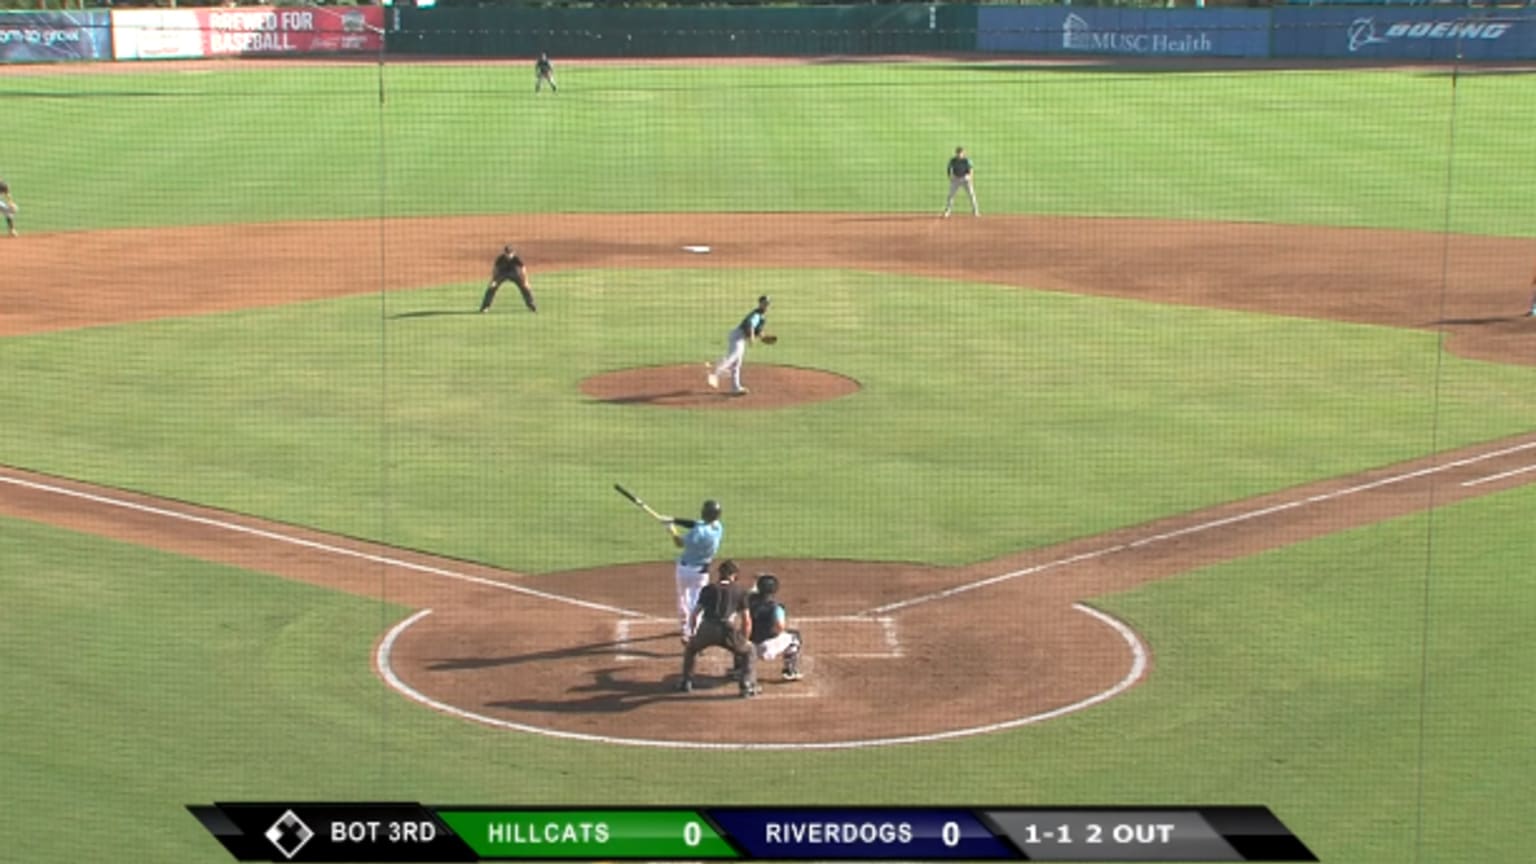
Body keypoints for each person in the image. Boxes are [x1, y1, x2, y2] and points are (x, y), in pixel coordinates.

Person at [678, 559, 758, 697]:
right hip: (728, 630)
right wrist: (744, 639)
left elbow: (695, 613)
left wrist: (692, 633)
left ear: (720, 574)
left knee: (691, 649)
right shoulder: (740, 591)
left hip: (707, 627)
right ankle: (746, 685)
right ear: (734, 575)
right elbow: (747, 620)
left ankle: (686, 681)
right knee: (749, 651)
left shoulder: (708, 589)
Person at [667, 499, 724, 645]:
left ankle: (685, 627)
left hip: (685, 570)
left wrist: (671, 529)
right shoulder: (718, 528)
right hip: (701, 572)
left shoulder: (697, 533)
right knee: (697, 601)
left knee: (682, 596)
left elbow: (679, 543)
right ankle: (692, 630)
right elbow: (695, 523)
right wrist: (674, 519)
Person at [732, 572, 804, 682]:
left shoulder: (748, 600)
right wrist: (772, 633)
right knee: (795, 636)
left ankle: (738, 669)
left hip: (748, 647)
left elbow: (752, 592)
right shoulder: (776, 606)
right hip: (766, 649)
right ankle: (790, 670)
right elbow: (780, 626)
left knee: (739, 634)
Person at [706, 295, 773, 396]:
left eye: (767, 304)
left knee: (737, 364)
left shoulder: (762, 317)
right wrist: (751, 337)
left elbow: (758, 332)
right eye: (764, 303)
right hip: (738, 336)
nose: (766, 305)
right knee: (732, 358)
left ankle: (735, 388)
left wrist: (764, 337)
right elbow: (750, 324)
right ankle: (714, 374)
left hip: (740, 338)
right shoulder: (757, 314)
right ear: (760, 304)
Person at [478, 245, 537, 313]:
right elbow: (495, 269)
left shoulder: (517, 259)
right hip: (502, 274)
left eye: (510, 253)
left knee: (525, 287)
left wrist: (525, 281)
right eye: (507, 253)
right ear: (504, 253)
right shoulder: (500, 258)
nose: (509, 255)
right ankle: (485, 307)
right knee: (491, 287)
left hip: (515, 274)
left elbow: (523, 270)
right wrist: (493, 280)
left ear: (513, 253)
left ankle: (531, 305)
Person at [943, 146, 978, 218]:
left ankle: (975, 211)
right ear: (956, 153)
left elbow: (971, 170)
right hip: (956, 179)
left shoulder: (967, 160)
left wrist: (970, 178)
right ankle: (947, 211)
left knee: (971, 195)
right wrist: (950, 177)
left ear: (963, 153)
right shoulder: (953, 160)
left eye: (961, 153)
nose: (959, 155)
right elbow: (949, 169)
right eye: (958, 153)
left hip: (965, 179)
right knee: (951, 196)